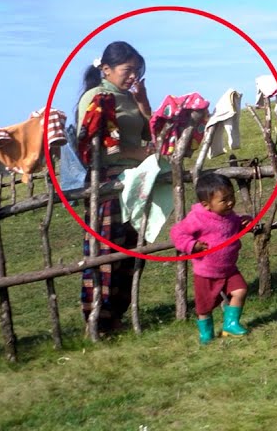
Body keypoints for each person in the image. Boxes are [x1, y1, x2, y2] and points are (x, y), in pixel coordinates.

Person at [74, 40, 153, 333]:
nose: (132, 76)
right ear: (106, 69)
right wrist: (137, 154)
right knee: (105, 250)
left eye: (137, 70)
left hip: (134, 182)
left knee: (129, 249)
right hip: (106, 182)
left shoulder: (130, 97)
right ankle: (97, 319)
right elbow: (93, 145)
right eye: (127, 70)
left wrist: (144, 103)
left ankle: (117, 316)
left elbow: (151, 131)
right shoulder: (97, 97)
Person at [169, 173, 253, 344]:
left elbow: (232, 228)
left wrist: (244, 223)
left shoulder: (229, 215)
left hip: (229, 268)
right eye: (224, 200)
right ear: (206, 205)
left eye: (232, 197)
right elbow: (177, 232)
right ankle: (206, 335)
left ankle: (230, 325)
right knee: (204, 307)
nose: (230, 202)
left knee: (240, 290)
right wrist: (191, 245)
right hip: (206, 271)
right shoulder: (198, 218)